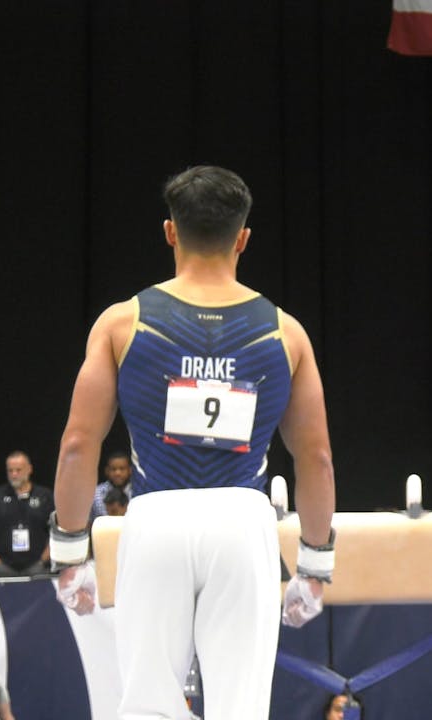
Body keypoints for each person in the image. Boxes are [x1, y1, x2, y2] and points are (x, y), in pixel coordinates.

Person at [48, 166, 336, 720]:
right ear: (243, 238)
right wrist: (314, 566)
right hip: (242, 525)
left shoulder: (122, 324)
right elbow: (316, 457)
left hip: (154, 520)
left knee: (147, 707)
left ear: (170, 232)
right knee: (239, 710)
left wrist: (69, 555)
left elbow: (78, 446)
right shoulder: (285, 332)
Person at [0, 451, 55, 577]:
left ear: (29, 469)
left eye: (18, 470)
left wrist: (43, 561)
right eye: (10, 471)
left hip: (38, 569)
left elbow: (57, 532)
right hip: (2, 569)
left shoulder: (45, 496)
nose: (14, 474)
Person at [90, 450, 133, 518]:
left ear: (130, 470)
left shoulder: (138, 491)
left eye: (122, 469)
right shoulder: (95, 494)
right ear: (106, 471)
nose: (117, 473)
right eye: (113, 469)